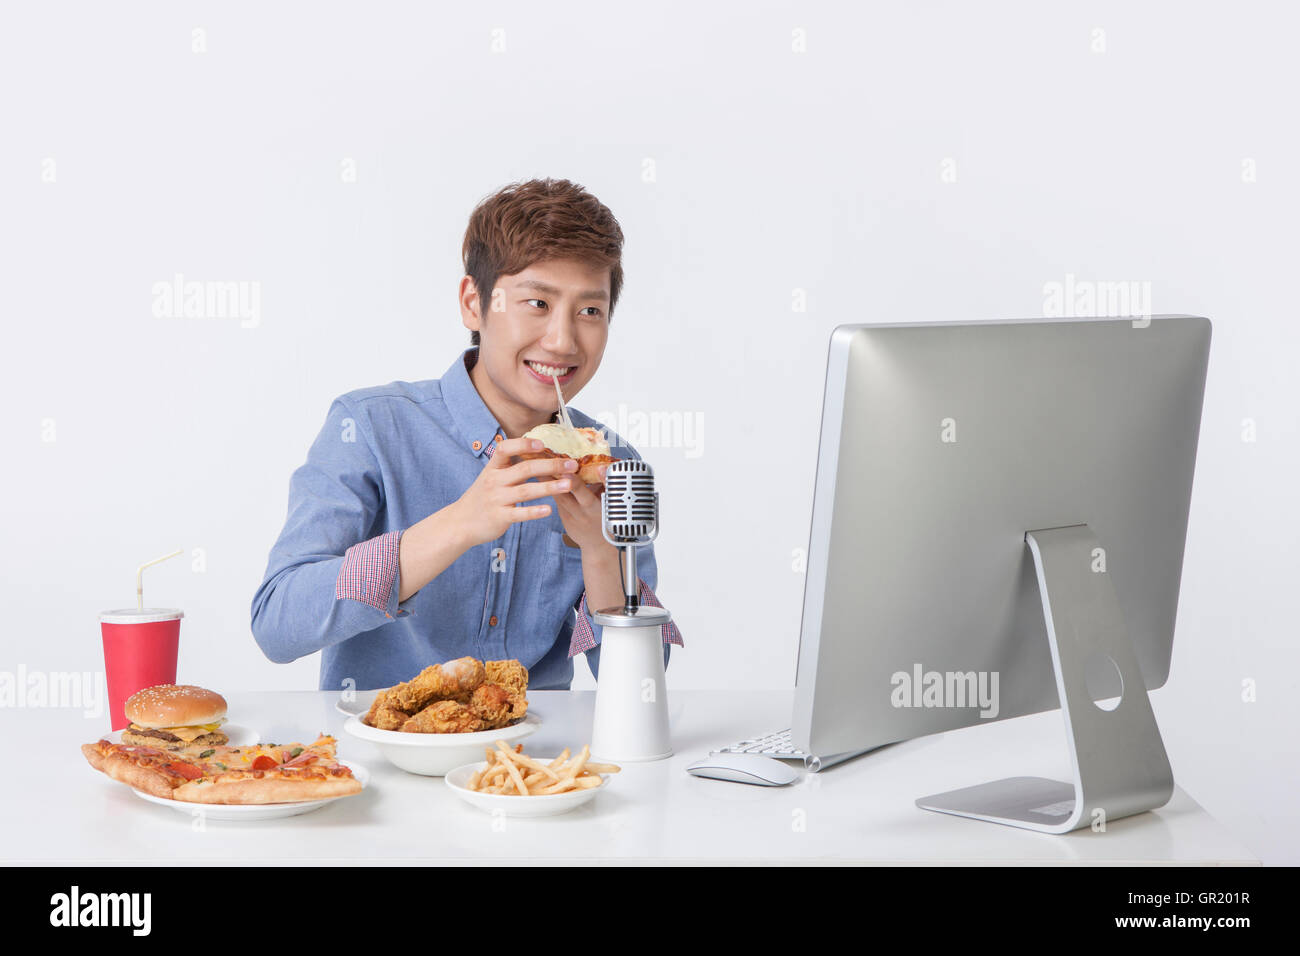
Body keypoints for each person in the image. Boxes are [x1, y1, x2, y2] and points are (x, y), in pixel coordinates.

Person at [250, 178, 683, 690]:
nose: (563, 340)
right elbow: (277, 624)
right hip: (379, 756)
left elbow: (640, 688)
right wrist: (459, 524)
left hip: (532, 761)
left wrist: (599, 552)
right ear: (473, 304)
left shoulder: (613, 463)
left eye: (590, 311)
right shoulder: (369, 427)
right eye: (537, 303)